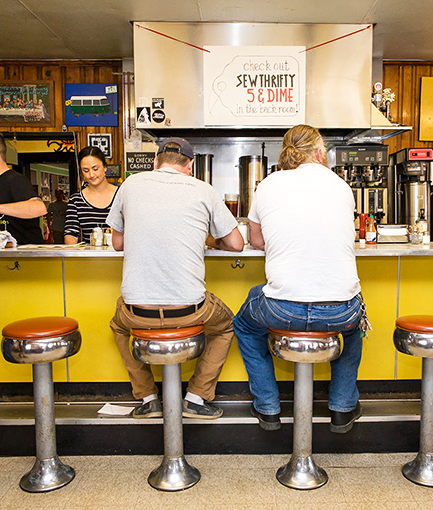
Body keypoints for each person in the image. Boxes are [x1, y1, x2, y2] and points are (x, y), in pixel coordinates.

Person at [233, 125, 365, 433]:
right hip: (341, 310)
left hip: (282, 308)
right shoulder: (340, 185)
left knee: (244, 323)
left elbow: (258, 241)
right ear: (320, 153)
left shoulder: (266, 184)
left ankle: (267, 406)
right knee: (356, 328)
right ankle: (343, 407)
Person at [107, 137, 244, 419]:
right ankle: (196, 397)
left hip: (137, 312)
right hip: (190, 312)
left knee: (119, 327)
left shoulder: (130, 184)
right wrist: (211, 242)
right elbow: (236, 244)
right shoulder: (204, 190)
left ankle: (147, 398)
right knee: (227, 325)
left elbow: (118, 243)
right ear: (190, 166)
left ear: (156, 163)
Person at [64, 146, 118, 245]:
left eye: (95, 169)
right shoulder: (76, 200)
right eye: (86, 170)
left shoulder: (121, 195)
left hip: (119, 258)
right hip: (90, 258)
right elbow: (70, 233)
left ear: (105, 167)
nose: (91, 175)